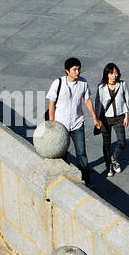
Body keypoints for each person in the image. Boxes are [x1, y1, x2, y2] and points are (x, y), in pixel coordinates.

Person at [46, 57, 101, 186]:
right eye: (74, 70)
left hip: (77, 123)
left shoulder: (83, 83)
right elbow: (51, 103)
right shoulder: (58, 83)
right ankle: (62, 180)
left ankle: (86, 181)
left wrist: (94, 117)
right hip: (61, 124)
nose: (77, 72)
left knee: (81, 153)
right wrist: (51, 123)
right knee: (62, 153)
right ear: (67, 71)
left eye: (78, 69)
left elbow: (87, 100)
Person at [94, 62, 129, 177]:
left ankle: (114, 159)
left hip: (119, 118)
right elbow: (98, 104)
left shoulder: (122, 84)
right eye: (111, 73)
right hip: (105, 119)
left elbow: (126, 100)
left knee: (122, 142)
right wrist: (97, 119)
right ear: (107, 74)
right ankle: (108, 165)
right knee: (106, 144)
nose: (114, 75)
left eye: (116, 73)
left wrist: (126, 116)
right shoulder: (101, 87)